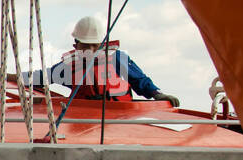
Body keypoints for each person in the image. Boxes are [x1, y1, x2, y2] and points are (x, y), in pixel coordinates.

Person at [13, 15, 180, 106]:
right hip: (83, 119)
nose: (91, 51)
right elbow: (40, 77)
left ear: (103, 44)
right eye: (86, 46)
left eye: (95, 46)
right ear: (76, 45)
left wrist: (158, 94)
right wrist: (5, 77)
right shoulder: (68, 66)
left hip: (121, 117)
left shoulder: (118, 58)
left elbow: (140, 81)